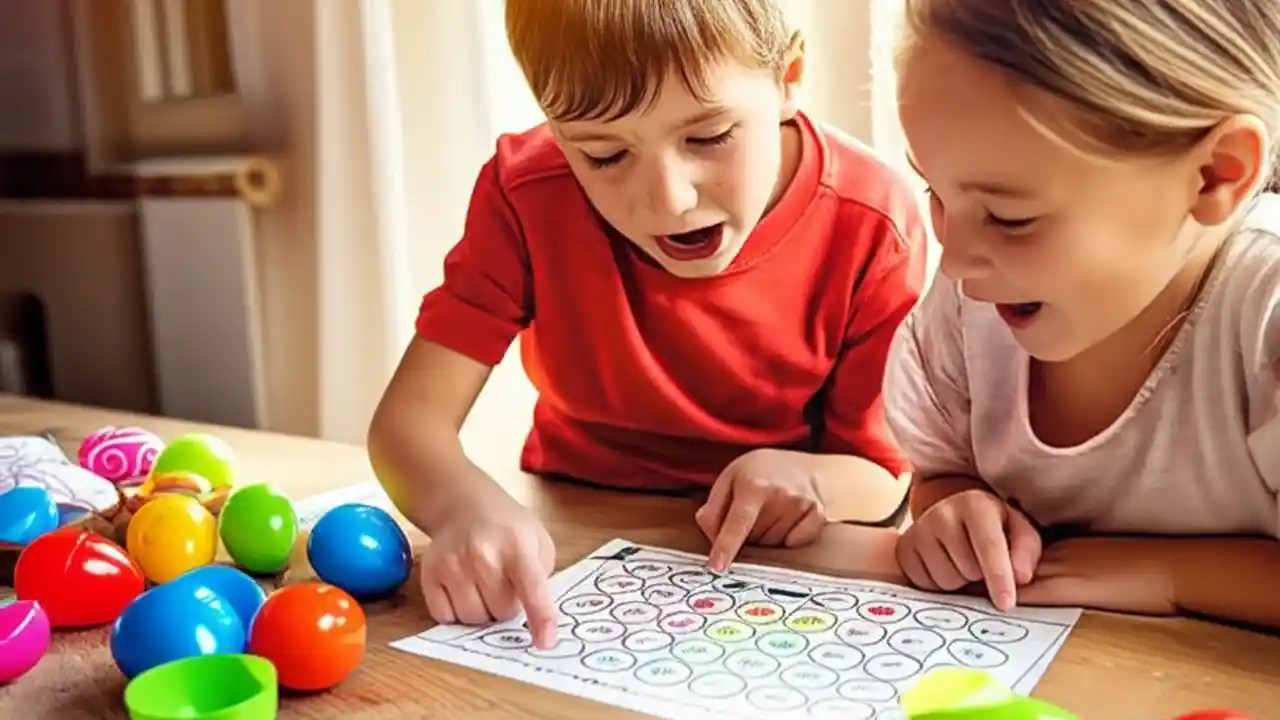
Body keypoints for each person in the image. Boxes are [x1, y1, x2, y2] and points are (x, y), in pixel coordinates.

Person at [367, 0, 927, 648]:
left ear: (789, 78)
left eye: (710, 137)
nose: (669, 199)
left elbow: (882, 472)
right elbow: (407, 424)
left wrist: (813, 483)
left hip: (772, 563)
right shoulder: (526, 194)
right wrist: (463, 509)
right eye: (604, 155)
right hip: (576, 526)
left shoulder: (871, 219)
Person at [886, 0, 1280, 630]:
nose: (955, 261)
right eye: (936, 191)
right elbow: (944, 472)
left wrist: (1168, 575)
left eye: (1010, 218)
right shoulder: (977, 301)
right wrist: (959, 511)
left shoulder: (1267, 317)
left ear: (1213, 175)